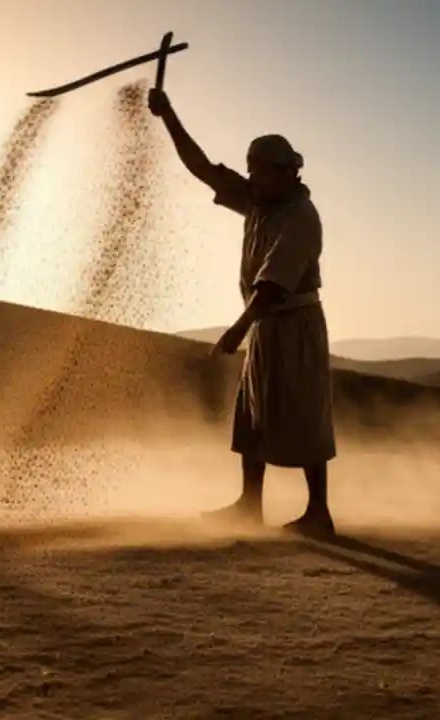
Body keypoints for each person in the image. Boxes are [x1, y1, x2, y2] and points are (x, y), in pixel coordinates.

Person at [148, 88, 337, 537]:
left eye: (260, 170)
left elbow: (272, 285)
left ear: (287, 173)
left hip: (293, 323)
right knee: (251, 417)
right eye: (250, 169)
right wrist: (168, 115)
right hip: (264, 324)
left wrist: (236, 330)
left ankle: (319, 513)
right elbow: (203, 169)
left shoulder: (300, 215)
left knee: (305, 413)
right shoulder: (258, 202)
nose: (252, 177)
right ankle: (250, 504)